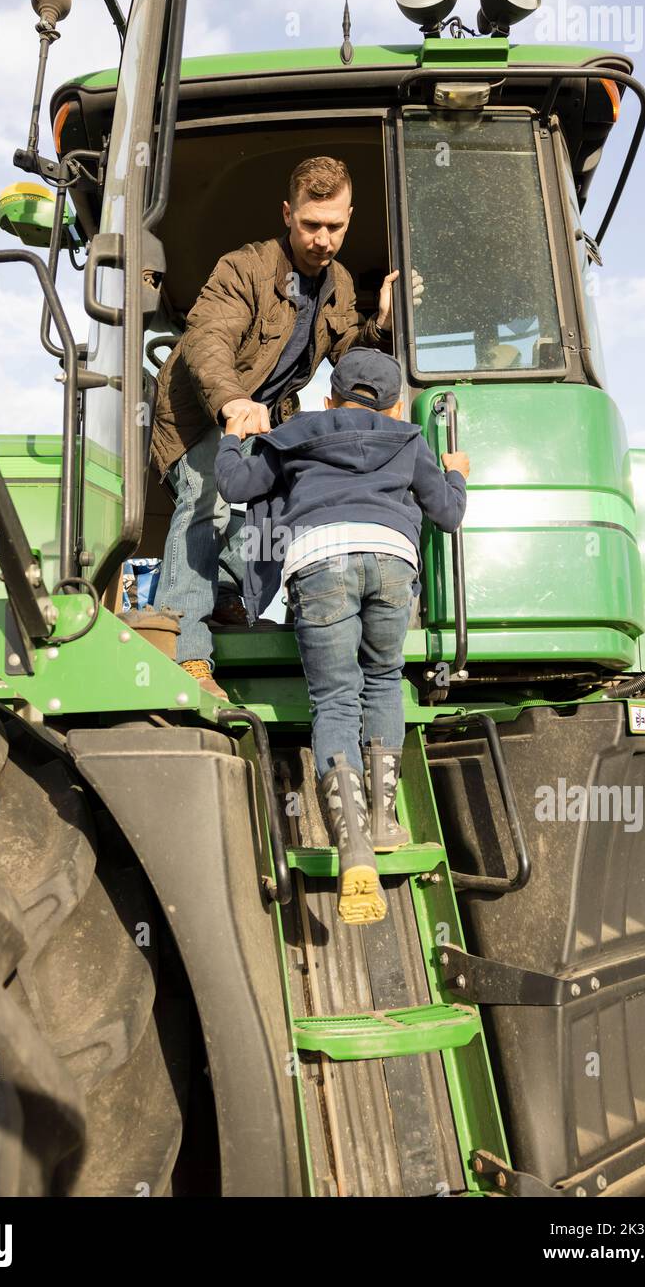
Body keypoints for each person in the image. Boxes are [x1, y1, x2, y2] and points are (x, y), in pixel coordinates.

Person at [215, 348, 469, 925]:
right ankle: (383, 822)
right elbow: (448, 514)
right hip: (391, 561)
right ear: (395, 403)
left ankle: (352, 847)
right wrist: (455, 471)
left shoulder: (298, 432)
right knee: (381, 681)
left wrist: (234, 432)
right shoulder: (408, 440)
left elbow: (235, 485)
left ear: (330, 399)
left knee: (334, 697)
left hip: (319, 559)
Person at [149, 155, 405, 699]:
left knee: (294, 513)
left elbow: (350, 360)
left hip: (263, 425)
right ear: (288, 214)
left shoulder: (336, 283)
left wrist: (380, 323)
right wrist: (234, 401)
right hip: (198, 412)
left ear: (349, 217)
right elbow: (207, 341)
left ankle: (222, 591)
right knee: (208, 499)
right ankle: (184, 651)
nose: (322, 239)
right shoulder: (245, 268)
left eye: (334, 226)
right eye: (311, 225)